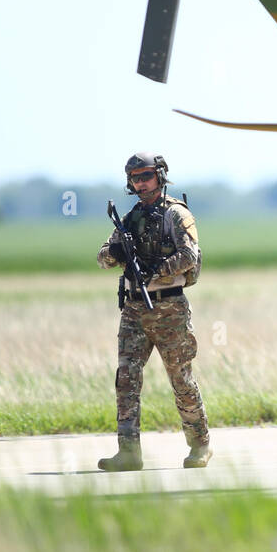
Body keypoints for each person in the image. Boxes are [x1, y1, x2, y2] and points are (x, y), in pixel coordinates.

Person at [95, 152, 211, 470]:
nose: (141, 183)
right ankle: (129, 451)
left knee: (181, 379)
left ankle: (199, 445)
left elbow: (190, 254)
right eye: (135, 178)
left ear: (160, 176)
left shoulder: (176, 214)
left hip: (169, 307)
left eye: (146, 176)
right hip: (134, 310)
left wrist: (156, 270)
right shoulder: (129, 218)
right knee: (126, 379)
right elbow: (102, 257)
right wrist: (116, 253)